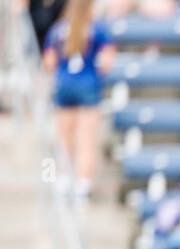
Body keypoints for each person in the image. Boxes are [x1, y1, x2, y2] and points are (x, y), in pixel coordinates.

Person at [41, 0, 114, 199]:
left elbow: (49, 61)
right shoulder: (98, 30)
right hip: (88, 86)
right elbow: (107, 62)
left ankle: (62, 180)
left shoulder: (57, 30)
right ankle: (83, 183)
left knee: (64, 140)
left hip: (64, 85)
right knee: (86, 139)